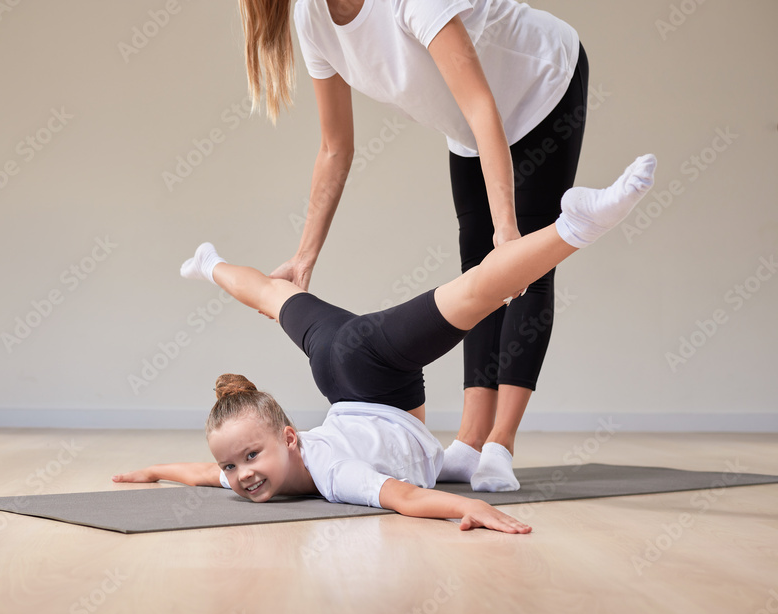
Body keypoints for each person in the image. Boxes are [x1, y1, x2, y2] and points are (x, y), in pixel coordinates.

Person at [114, 155, 657, 534]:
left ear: (290, 438)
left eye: (250, 456)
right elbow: (204, 472)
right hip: (341, 372)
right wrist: (155, 471)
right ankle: (209, 264)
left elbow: (408, 498)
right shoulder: (258, 468)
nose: (242, 475)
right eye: (234, 467)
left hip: (368, 372)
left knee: (472, 295)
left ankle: (577, 227)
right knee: (273, 297)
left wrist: (470, 513)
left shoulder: (329, 472)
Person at [238, 0, 591, 491]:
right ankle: (469, 442)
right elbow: (335, 146)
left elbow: (480, 103)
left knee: (522, 269)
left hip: (540, 86)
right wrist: (304, 256)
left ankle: (500, 444)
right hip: (471, 126)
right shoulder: (312, 19)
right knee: (479, 273)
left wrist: (508, 229)